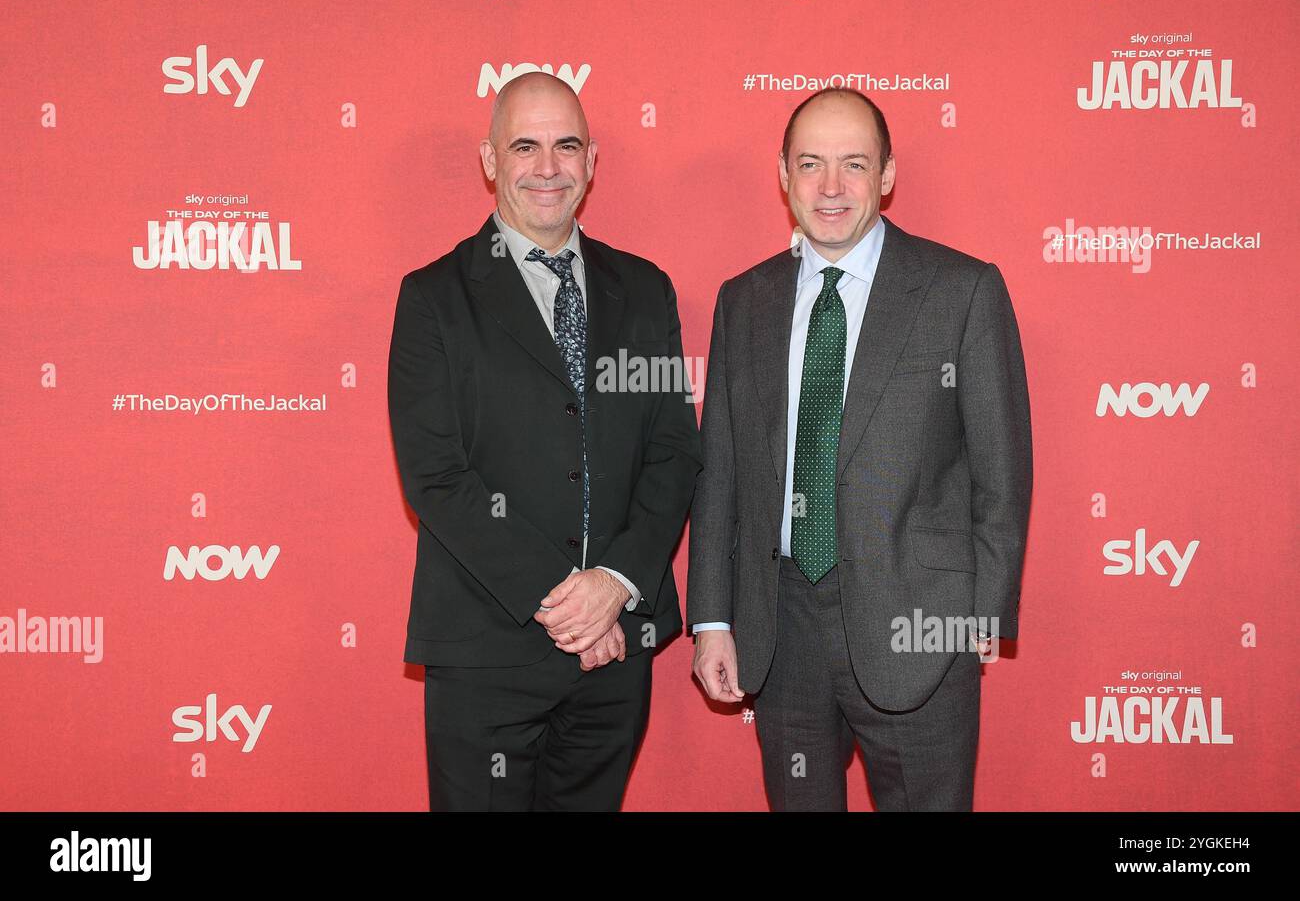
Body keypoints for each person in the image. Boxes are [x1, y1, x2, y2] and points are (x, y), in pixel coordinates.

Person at [687, 88, 1032, 811]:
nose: (832, 188)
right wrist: (714, 620)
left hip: (920, 625)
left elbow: (1003, 472)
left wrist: (980, 617)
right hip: (780, 627)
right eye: (811, 164)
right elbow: (719, 474)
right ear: (783, 175)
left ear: (888, 174)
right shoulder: (742, 300)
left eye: (853, 164)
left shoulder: (961, 289)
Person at [387, 71, 701, 810]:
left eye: (567, 146)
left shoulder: (645, 290)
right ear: (491, 161)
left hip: (617, 649)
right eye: (525, 146)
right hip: (486, 650)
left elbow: (672, 453)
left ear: (592, 161)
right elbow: (437, 476)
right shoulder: (434, 297)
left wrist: (614, 586)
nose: (548, 167)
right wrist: (568, 603)